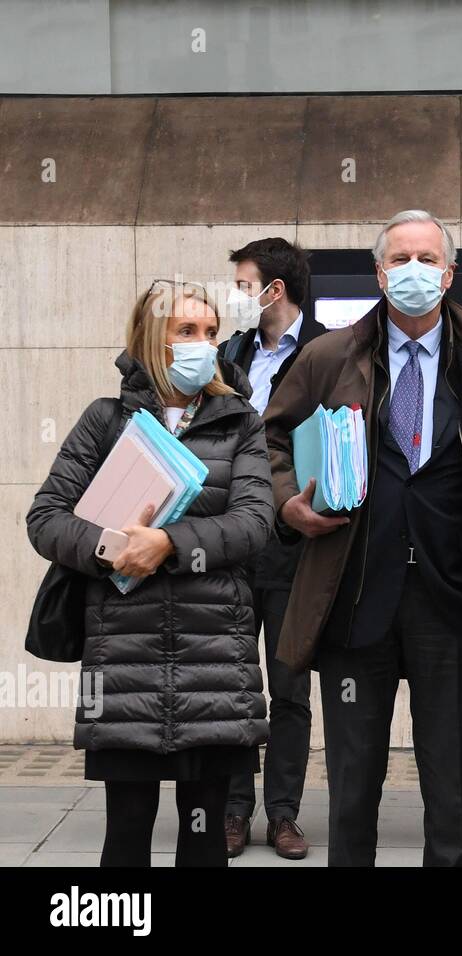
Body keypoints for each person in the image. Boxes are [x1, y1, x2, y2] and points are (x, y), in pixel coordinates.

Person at [262, 210, 462, 867]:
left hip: (455, 606)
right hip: (356, 600)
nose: (413, 270)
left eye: (427, 259)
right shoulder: (329, 357)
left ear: (448, 274)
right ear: (380, 273)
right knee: (353, 788)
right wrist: (289, 506)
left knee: (449, 789)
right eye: (400, 259)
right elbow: (271, 441)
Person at [27, 279, 274, 867]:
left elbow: (254, 523)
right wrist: (115, 548)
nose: (202, 345)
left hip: (215, 659)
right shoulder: (105, 420)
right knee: (126, 838)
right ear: (150, 340)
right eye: (185, 332)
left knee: (204, 841)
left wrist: (166, 543)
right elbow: (46, 519)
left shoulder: (241, 422)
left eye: (211, 333)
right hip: (124, 660)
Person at [220, 237, 327, 860]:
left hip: (292, 545)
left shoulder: (325, 352)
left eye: (242, 284)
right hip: (230, 545)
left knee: (289, 688)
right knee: (235, 688)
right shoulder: (226, 351)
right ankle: (233, 811)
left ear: (273, 290)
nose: (233, 296)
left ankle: (283, 815)